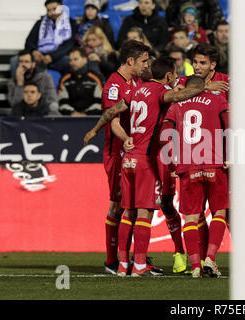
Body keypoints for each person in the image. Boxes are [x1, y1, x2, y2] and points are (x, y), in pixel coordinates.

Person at [84, 56, 213, 277]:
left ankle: (124, 265)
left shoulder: (135, 91)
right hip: (146, 161)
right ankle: (140, 265)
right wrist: (203, 87)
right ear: (170, 76)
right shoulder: (160, 91)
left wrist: (94, 130)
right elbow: (180, 95)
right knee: (144, 213)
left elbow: (111, 113)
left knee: (128, 212)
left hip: (128, 159)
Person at [83, 40, 151, 275]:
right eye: (143, 61)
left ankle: (134, 256)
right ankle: (112, 260)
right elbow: (112, 121)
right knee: (117, 205)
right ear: (130, 61)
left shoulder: (137, 81)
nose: (146, 65)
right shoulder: (113, 85)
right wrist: (126, 139)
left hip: (134, 153)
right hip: (117, 153)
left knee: (133, 206)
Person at [159, 75, 229, 278]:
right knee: (219, 212)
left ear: (188, 89)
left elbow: (165, 134)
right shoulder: (217, 99)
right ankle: (211, 259)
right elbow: (230, 127)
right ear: (203, 87)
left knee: (190, 217)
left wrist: (172, 162)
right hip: (214, 164)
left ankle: (196, 266)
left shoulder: (177, 104)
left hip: (188, 166)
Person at [24, 0, 76, 75]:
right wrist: (34, 51)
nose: (52, 12)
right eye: (49, 10)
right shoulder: (40, 23)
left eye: (54, 9)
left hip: (59, 58)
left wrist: (52, 56)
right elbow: (29, 41)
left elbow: (69, 45)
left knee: (69, 62)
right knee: (16, 61)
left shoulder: (71, 23)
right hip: (39, 58)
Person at [7, 49, 58, 114]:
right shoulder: (12, 82)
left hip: (42, 114)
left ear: (33, 64)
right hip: (22, 116)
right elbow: (14, 105)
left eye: (26, 62)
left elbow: (52, 101)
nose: (23, 65)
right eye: (21, 61)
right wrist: (20, 84)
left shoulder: (45, 77)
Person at [57, 47, 104, 116]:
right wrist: (72, 113)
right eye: (70, 60)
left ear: (85, 60)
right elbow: (62, 102)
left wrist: (86, 114)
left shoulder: (96, 78)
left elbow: (100, 102)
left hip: (92, 118)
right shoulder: (65, 79)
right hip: (69, 119)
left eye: (75, 59)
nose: (72, 63)